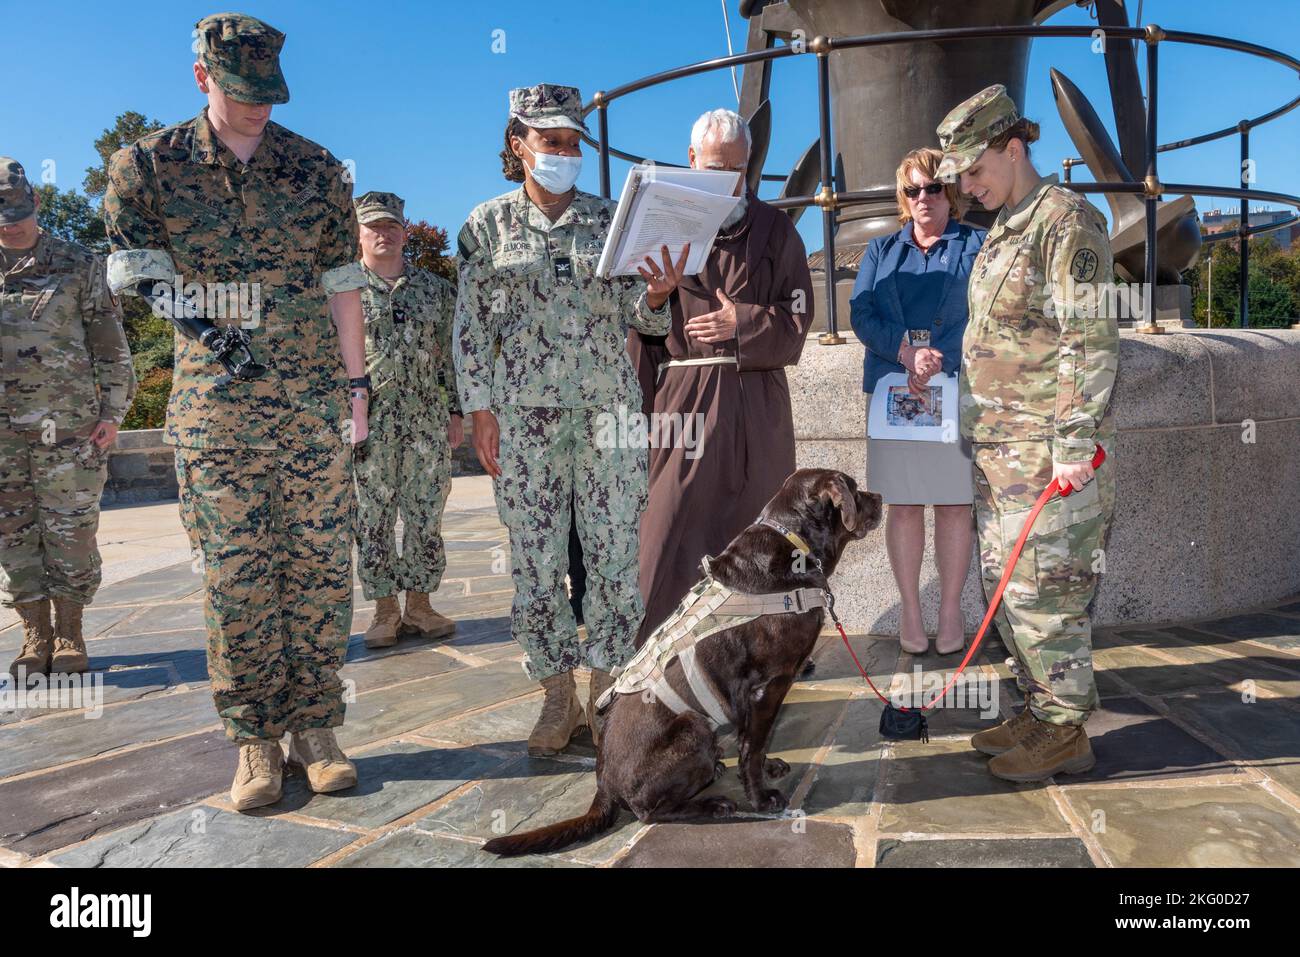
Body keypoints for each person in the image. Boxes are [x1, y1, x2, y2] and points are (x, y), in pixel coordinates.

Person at [103, 13, 370, 811]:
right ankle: (254, 737)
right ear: (202, 78)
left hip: (313, 405)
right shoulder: (147, 165)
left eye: (269, 94)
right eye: (241, 91)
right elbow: (137, 273)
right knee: (235, 578)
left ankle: (316, 728)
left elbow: (342, 286)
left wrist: (358, 387)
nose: (258, 108)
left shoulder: (317, 168)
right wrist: (212, 328)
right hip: (216, 411)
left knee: (320, 570)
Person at [454, 84, 679, 754]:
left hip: (609, 413)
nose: (565, 152)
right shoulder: (486, 226)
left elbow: (642, 318)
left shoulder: (613, 220)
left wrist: (658, 295)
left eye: (573, 142)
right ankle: (557, 694)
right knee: (535, 558)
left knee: (614, 552)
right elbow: (470, 328)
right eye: (550, 140)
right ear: (518, 144)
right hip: (525, 419)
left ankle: (607, 692)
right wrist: (478, 409)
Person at [935, 84, 1118, 782]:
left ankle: (1065, 731)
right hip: (1000, 451)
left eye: (975, 171)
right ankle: (1040, 708)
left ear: (1014, 149)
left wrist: (1074, 443)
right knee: (1009, 590)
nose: (967, 189)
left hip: (1045, 453)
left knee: (1046, 593)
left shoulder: (1064, 221)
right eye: (960, 178)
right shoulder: (1004, 229)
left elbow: (1088, 337)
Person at [627, 108, 814, 646]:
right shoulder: (661, 225)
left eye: (738, 168)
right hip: (683, 402)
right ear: (691, 160)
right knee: (668, 525)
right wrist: (656, 298)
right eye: (715, 168)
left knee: (762, 528)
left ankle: (763, 648)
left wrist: (743, 322)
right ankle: (658, 645)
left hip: (757, 405)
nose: (729, 180)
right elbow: (633, 325)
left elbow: (798, 319)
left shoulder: (776, 230)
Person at [1, 159, 136, 680]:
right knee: (12, 536)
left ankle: (69, 631)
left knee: (72, 531)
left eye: (18, 214)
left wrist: (113, 411)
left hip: (69, 428)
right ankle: (34, 632)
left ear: (35, 202)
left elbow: (110, 344)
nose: (11, 225)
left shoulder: (78, 263)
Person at [849, 147, 984, 656]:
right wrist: (906, 352)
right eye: (912, 189)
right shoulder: (880, 251)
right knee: (903, 506)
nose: (923, 197)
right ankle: (910, 609)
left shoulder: (979, 245)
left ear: (950, 191)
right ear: (902, 197)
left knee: (953, 505)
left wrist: (937, 358)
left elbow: (990, 313)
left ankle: (949, 611)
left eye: (933, 187)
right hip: (894, 392)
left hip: (955, 388)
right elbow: (862, 313)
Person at [351, 190, 462, 649]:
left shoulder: (435, 290)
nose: (384, 233)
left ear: (404, 232)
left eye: (392, 225)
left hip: (425, 422)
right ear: (358, 233)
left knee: (426, 513)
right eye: (374, 226)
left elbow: (452, 355)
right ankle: (384, 610)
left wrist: (456, 410)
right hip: (367, 425)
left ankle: (419, 604)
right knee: (371, 518)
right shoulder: (342, 291)